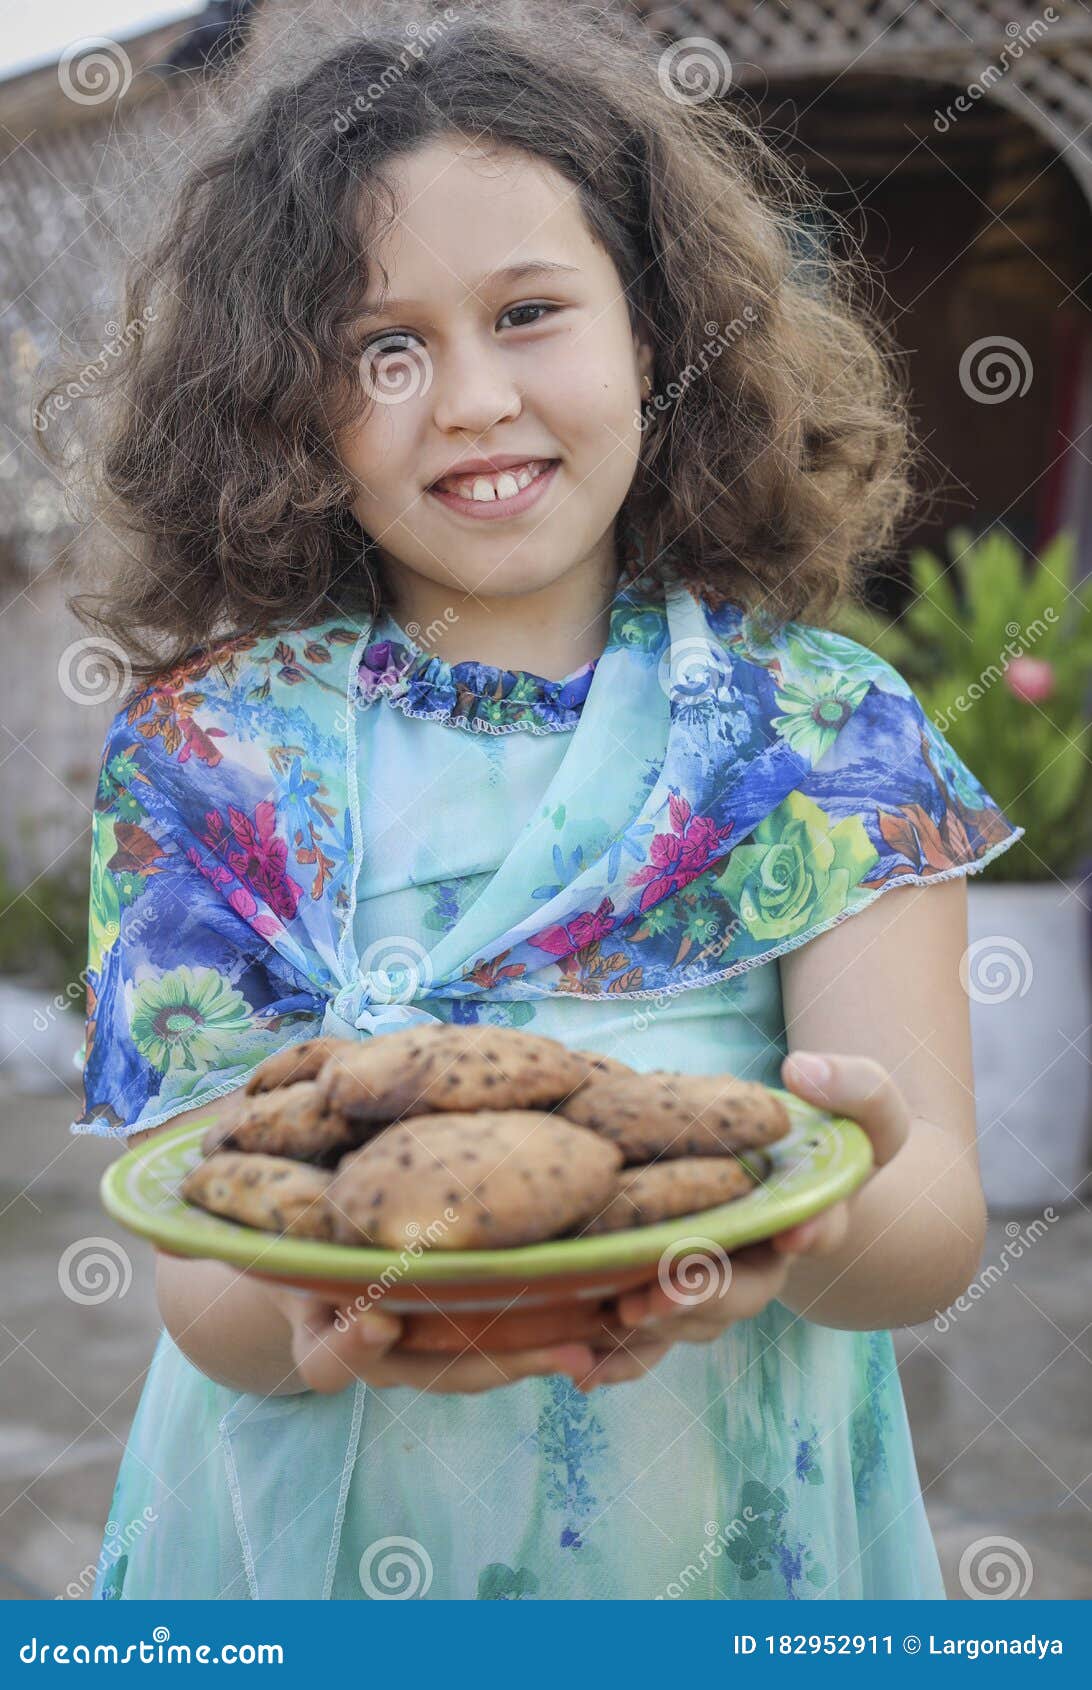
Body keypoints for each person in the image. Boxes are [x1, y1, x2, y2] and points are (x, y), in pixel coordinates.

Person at [46, 0, 1022, 1600]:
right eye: (385, 347)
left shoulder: (826, 735)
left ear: (654, 331)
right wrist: (322, 1312)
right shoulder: (210, 764)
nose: (474, 399)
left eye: (528, 311)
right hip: (310, 1555)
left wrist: (821, 1221)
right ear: (292, 404)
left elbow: (929, 1230)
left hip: (723, 1545)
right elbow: (206, 1289)